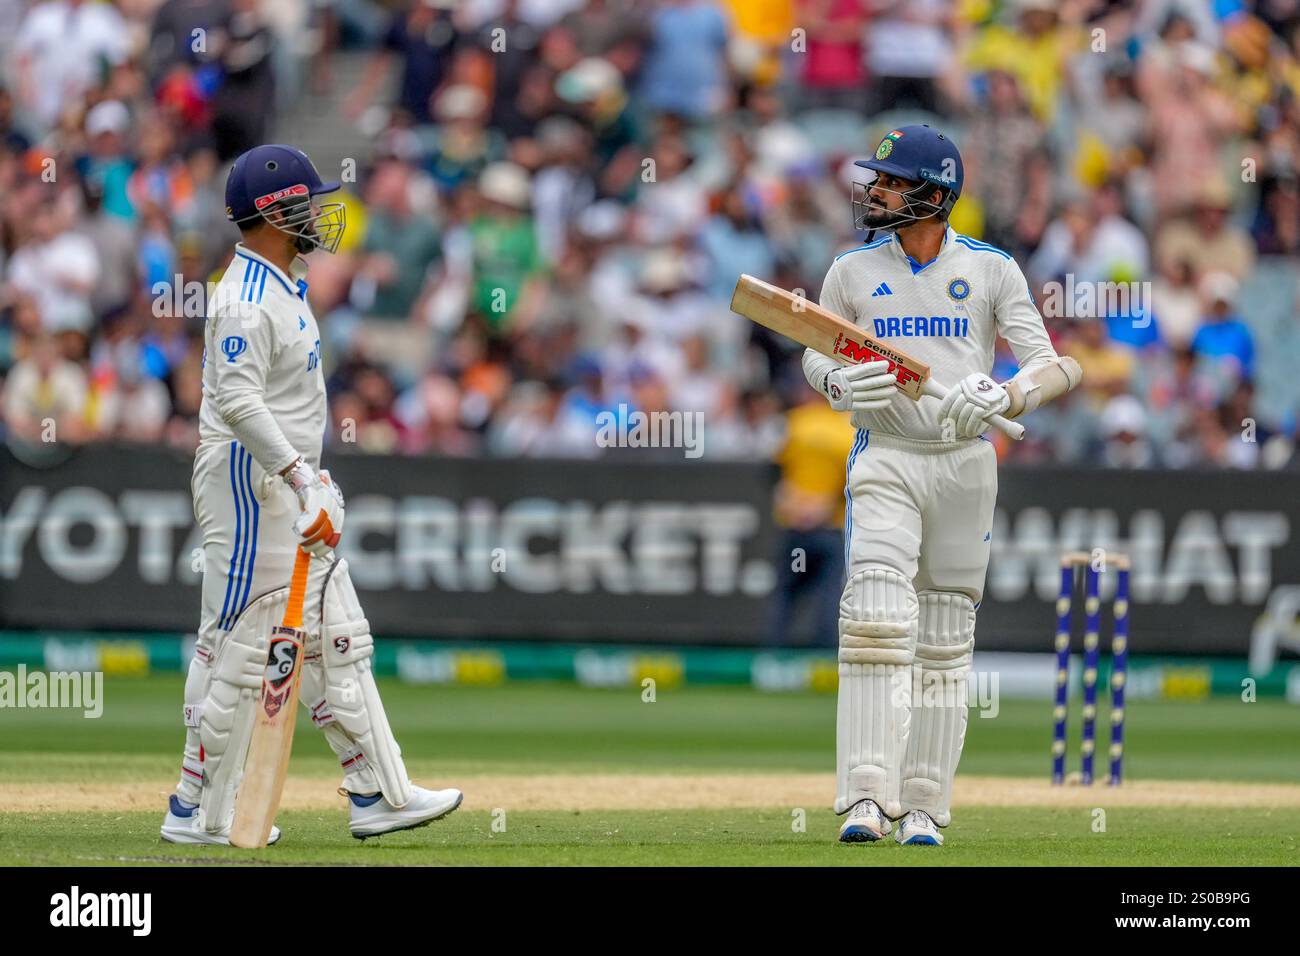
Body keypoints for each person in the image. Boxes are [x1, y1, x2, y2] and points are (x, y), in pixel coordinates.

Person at [161, 144, 462, 845]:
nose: (319, 216)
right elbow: (236, 402)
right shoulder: (243, 297)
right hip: (248, 482)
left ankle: (376, 792)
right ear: (272, 212)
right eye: (305, 203)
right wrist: (299, 477)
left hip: (283, 480)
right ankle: (196, 810)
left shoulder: (282, 282)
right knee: (234, 642)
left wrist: (307, 477)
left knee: (338, 637)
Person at [802, 125, 1081, 846]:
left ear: (934, 193)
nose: (877, 192)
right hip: (886, 453)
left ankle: (924, 804)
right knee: (873, 615)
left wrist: (1004, 396)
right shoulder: (851, 271)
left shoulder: (992, 269)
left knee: (947, 636)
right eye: (879, 180)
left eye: (893, 182)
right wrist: (838, 379)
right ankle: (865, 796)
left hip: (964, 458)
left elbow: (1054, 366)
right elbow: (815, 351)